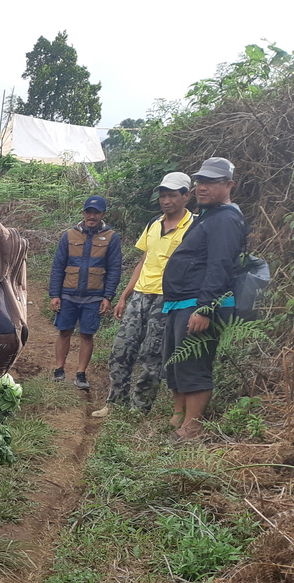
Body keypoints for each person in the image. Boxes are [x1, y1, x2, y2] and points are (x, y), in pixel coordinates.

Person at [92, 173, 194, 418]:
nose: (166, 200)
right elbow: (143, 261)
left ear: (186, 196)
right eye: (163, 196)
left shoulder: (194, 227)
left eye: (172, 195)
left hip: (167, 299)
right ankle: (115, 403)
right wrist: (125, 296)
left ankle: (140, 409)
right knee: (121, 350)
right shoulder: (154, 224)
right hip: (140, 295)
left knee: (152, 355)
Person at [160, 157, 247, 441]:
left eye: (211, 182)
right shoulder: (210, 216)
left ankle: (193, 426)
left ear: (229, 185)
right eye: (200, 181)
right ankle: (180, 418)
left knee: (193, 363)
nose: (202, 187)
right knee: (176, 361)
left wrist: (205, 308)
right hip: (181, 302)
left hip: (197, 304)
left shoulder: (226, 219)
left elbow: (220, 265)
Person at [49, 196, 122, 391]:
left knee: (87, 335)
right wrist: (55, 294)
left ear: (102, 214)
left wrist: (108, 297)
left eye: (96, 212)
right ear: (83, 213)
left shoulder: (111, 238)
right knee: (64, 331)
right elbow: (58, 266)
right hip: (68, 294)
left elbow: (115, 269)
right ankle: (59, 370)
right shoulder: (69, 235)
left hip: (94, 296)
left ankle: (81, 374)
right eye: (89, 212)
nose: (92, 216)